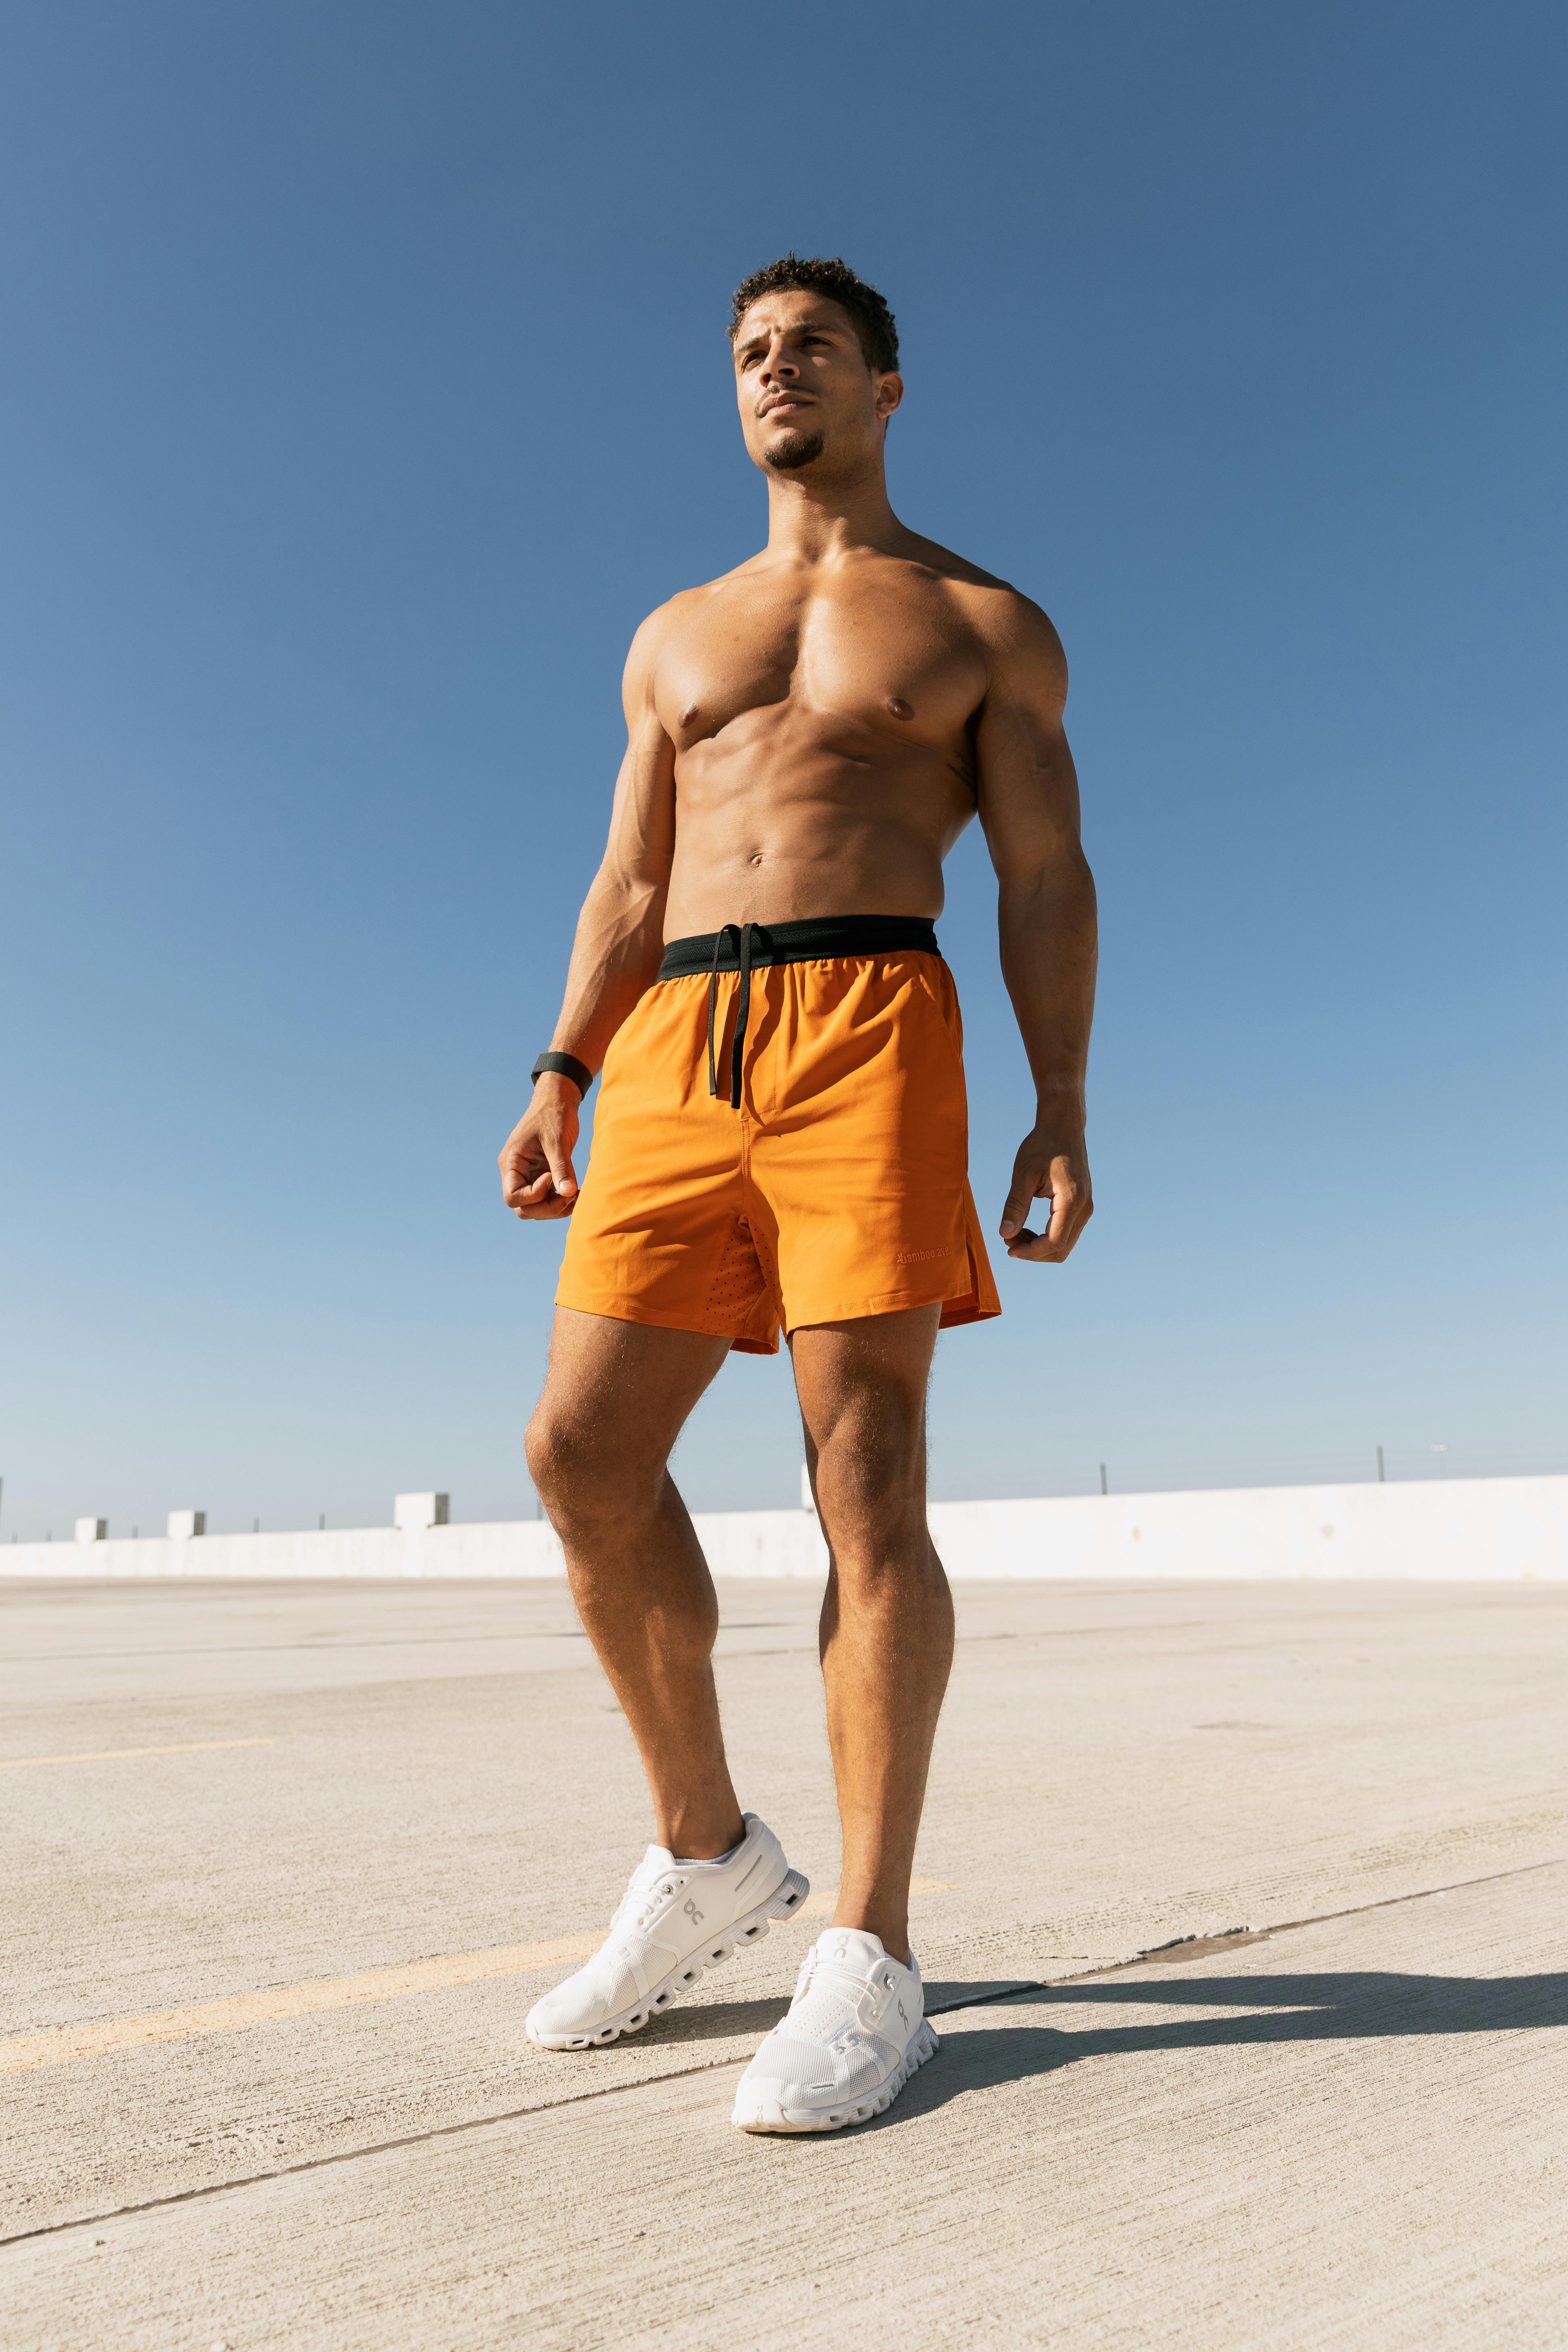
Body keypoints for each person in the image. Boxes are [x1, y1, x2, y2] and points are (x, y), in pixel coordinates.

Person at [498, 254, 1096, 2134]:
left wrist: (1059, 1103)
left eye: (814, 346)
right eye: (753, 351)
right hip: (679, 1039)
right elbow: (627, 877)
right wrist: (563, 1063)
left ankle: (874, 1951)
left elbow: (1044, 875)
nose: (778, 370)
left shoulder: (982, 621)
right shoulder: (674, 636)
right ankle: (704, 1855)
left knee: (868, 1479)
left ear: (885, 388)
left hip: (871, 1020)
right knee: (581, 1454)